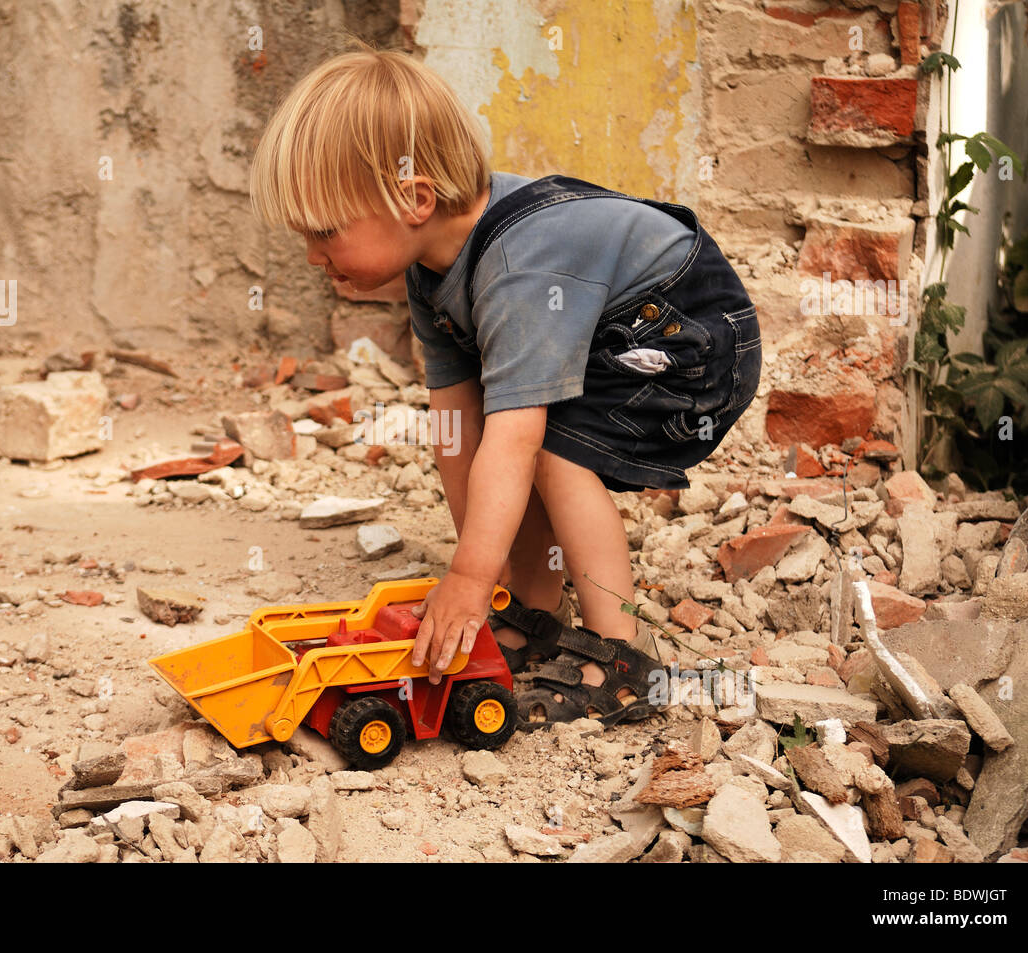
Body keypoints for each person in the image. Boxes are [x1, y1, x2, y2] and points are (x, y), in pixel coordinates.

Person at [249, 41, 761, 726]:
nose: (312, 254)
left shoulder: (519, 270)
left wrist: (466, 579)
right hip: (626, 323)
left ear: (413, 199)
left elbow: (515, 443)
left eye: (324, 231)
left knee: (552, 449)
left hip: (690, 333)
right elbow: (457, 429)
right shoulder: (430, 271)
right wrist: (480, 573)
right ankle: (534, 612)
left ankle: (621, 658)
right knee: (510, 434)